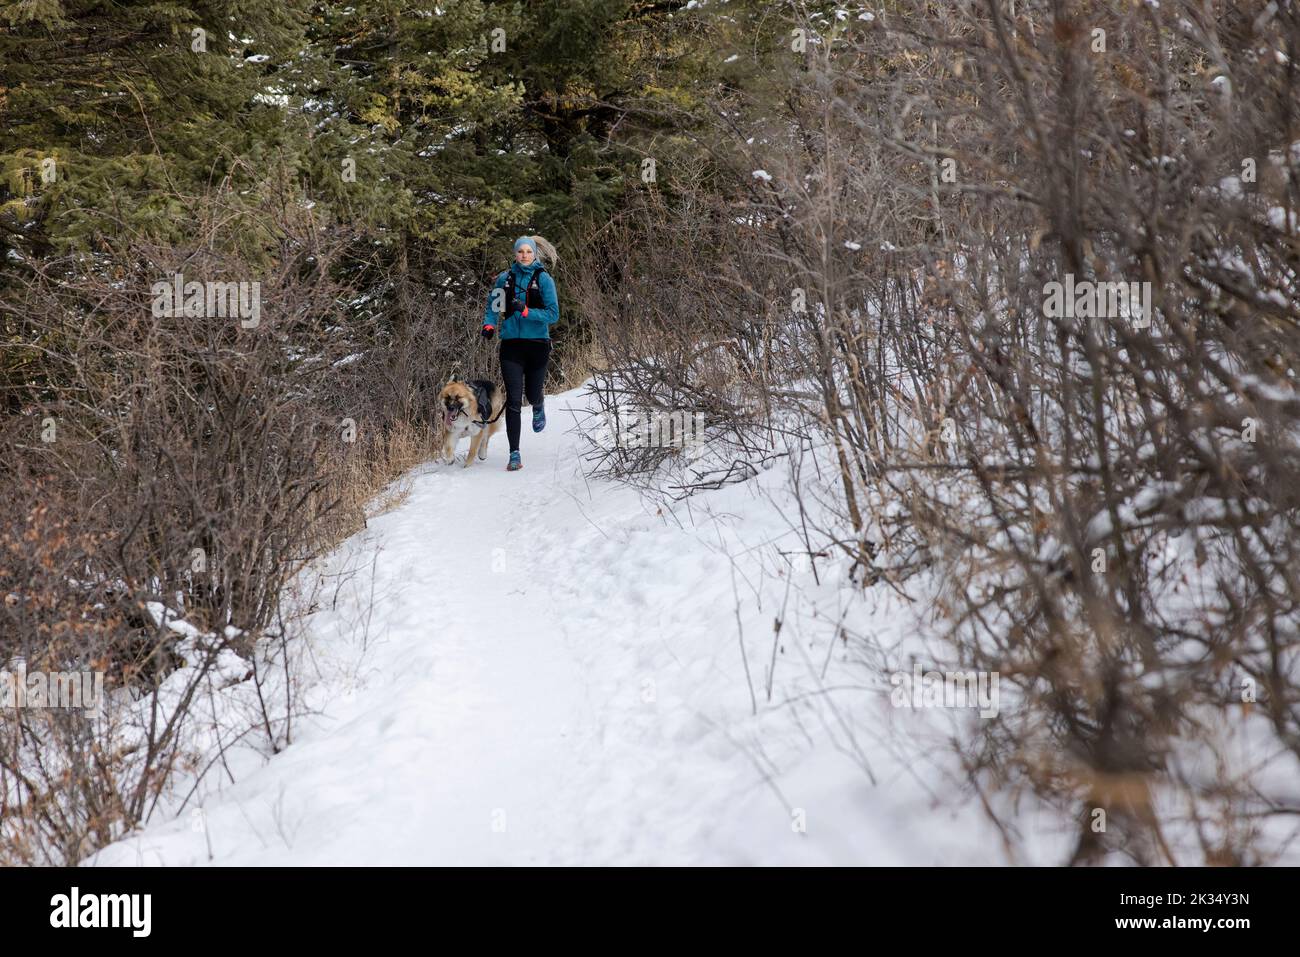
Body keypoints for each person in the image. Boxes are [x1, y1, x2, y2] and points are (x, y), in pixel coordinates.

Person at [481, 235, 560, 470]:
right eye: (520, 251)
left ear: (535, 254)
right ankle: (514, 454)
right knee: (514, 400)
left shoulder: (544, 279)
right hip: (511, 346)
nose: (524, 255)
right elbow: (493, 307)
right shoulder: (505, 280)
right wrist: (489, 326)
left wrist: (526, 312)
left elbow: (553, 314)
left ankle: (538, 404)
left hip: (537, 344)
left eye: (528, 251)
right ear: (515, 254)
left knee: (533, 394)